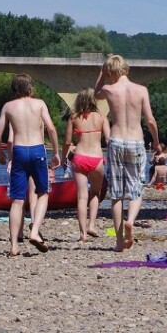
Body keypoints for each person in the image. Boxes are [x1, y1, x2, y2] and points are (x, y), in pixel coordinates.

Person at [95, 54, 159, 252]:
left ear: (109, 72)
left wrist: (101, 73)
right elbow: (150, 120)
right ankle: (130, 220)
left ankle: (119, 242)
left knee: (116, 194)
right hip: (136, 141)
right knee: (136, 187)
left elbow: (95, 92)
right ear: (126, 69)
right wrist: (156, 142)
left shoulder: (108, 89)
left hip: (116, 141)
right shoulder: (141, 90)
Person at [0, 73, 60, 256]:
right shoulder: (39, 104)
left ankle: (14, 245)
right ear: (30, 88)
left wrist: (1, 155)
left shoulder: (9, 106)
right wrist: (56, 153)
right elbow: (52, 129)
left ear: (14, 90)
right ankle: (34, 231)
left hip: (19, 151)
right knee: (43, 192)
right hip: (38, 150)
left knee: (17, 200)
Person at [61, 87, 109, 242]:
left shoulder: (73, 118)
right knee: (95, 193)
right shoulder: (101, 117)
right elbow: (108, 140)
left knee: (82, 197)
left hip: (80, 158)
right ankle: (92, 226)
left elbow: (67, 142)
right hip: (96, 159)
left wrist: (62, 158)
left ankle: (82, 234)